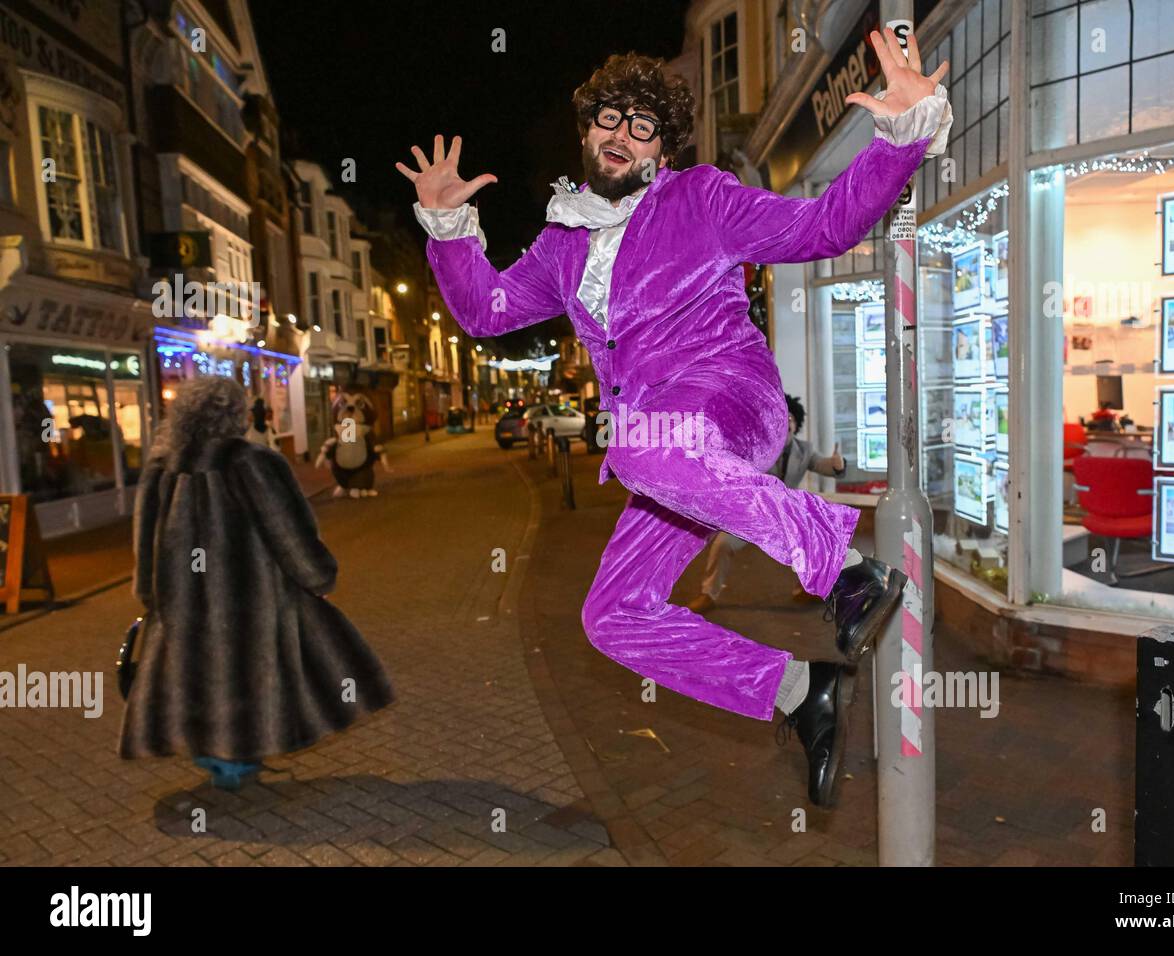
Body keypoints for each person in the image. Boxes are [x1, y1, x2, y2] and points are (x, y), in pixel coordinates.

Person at [397, 32, 950, 806]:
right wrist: (448, 229)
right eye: (609, 119)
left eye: (643, 125)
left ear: (662, 148)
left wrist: (905, 132)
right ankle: (801, 691)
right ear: (585, 132)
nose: (621, 134)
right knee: (612, 616)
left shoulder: (701, 199)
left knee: (637, 445)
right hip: (670, 459)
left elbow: (822, 228)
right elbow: (487, 311)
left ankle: (844, 568)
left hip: (730, 404)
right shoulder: (563, 243)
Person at [119, 377, 394, 790]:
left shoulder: (161, 469)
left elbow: (145, 547)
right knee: (249, 675)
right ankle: (236, 758)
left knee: (199, 675)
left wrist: (149, 594)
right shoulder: (252, 462)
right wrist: (317, 575)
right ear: (234, 415)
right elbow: (287, 532)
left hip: (181, 605)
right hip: (249, 602)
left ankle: (216, 756)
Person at [687, 394, 846, 615]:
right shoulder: (759, 448)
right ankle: (708, 594)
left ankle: (807, 589)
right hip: (753, 513)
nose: (787, 421)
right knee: (723, 544)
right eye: (782, 417)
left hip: (784, 515)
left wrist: (837, 466)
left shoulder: (805, 451)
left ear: (796, 423)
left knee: (810, 541)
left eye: (791, 417)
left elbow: (824, 465)